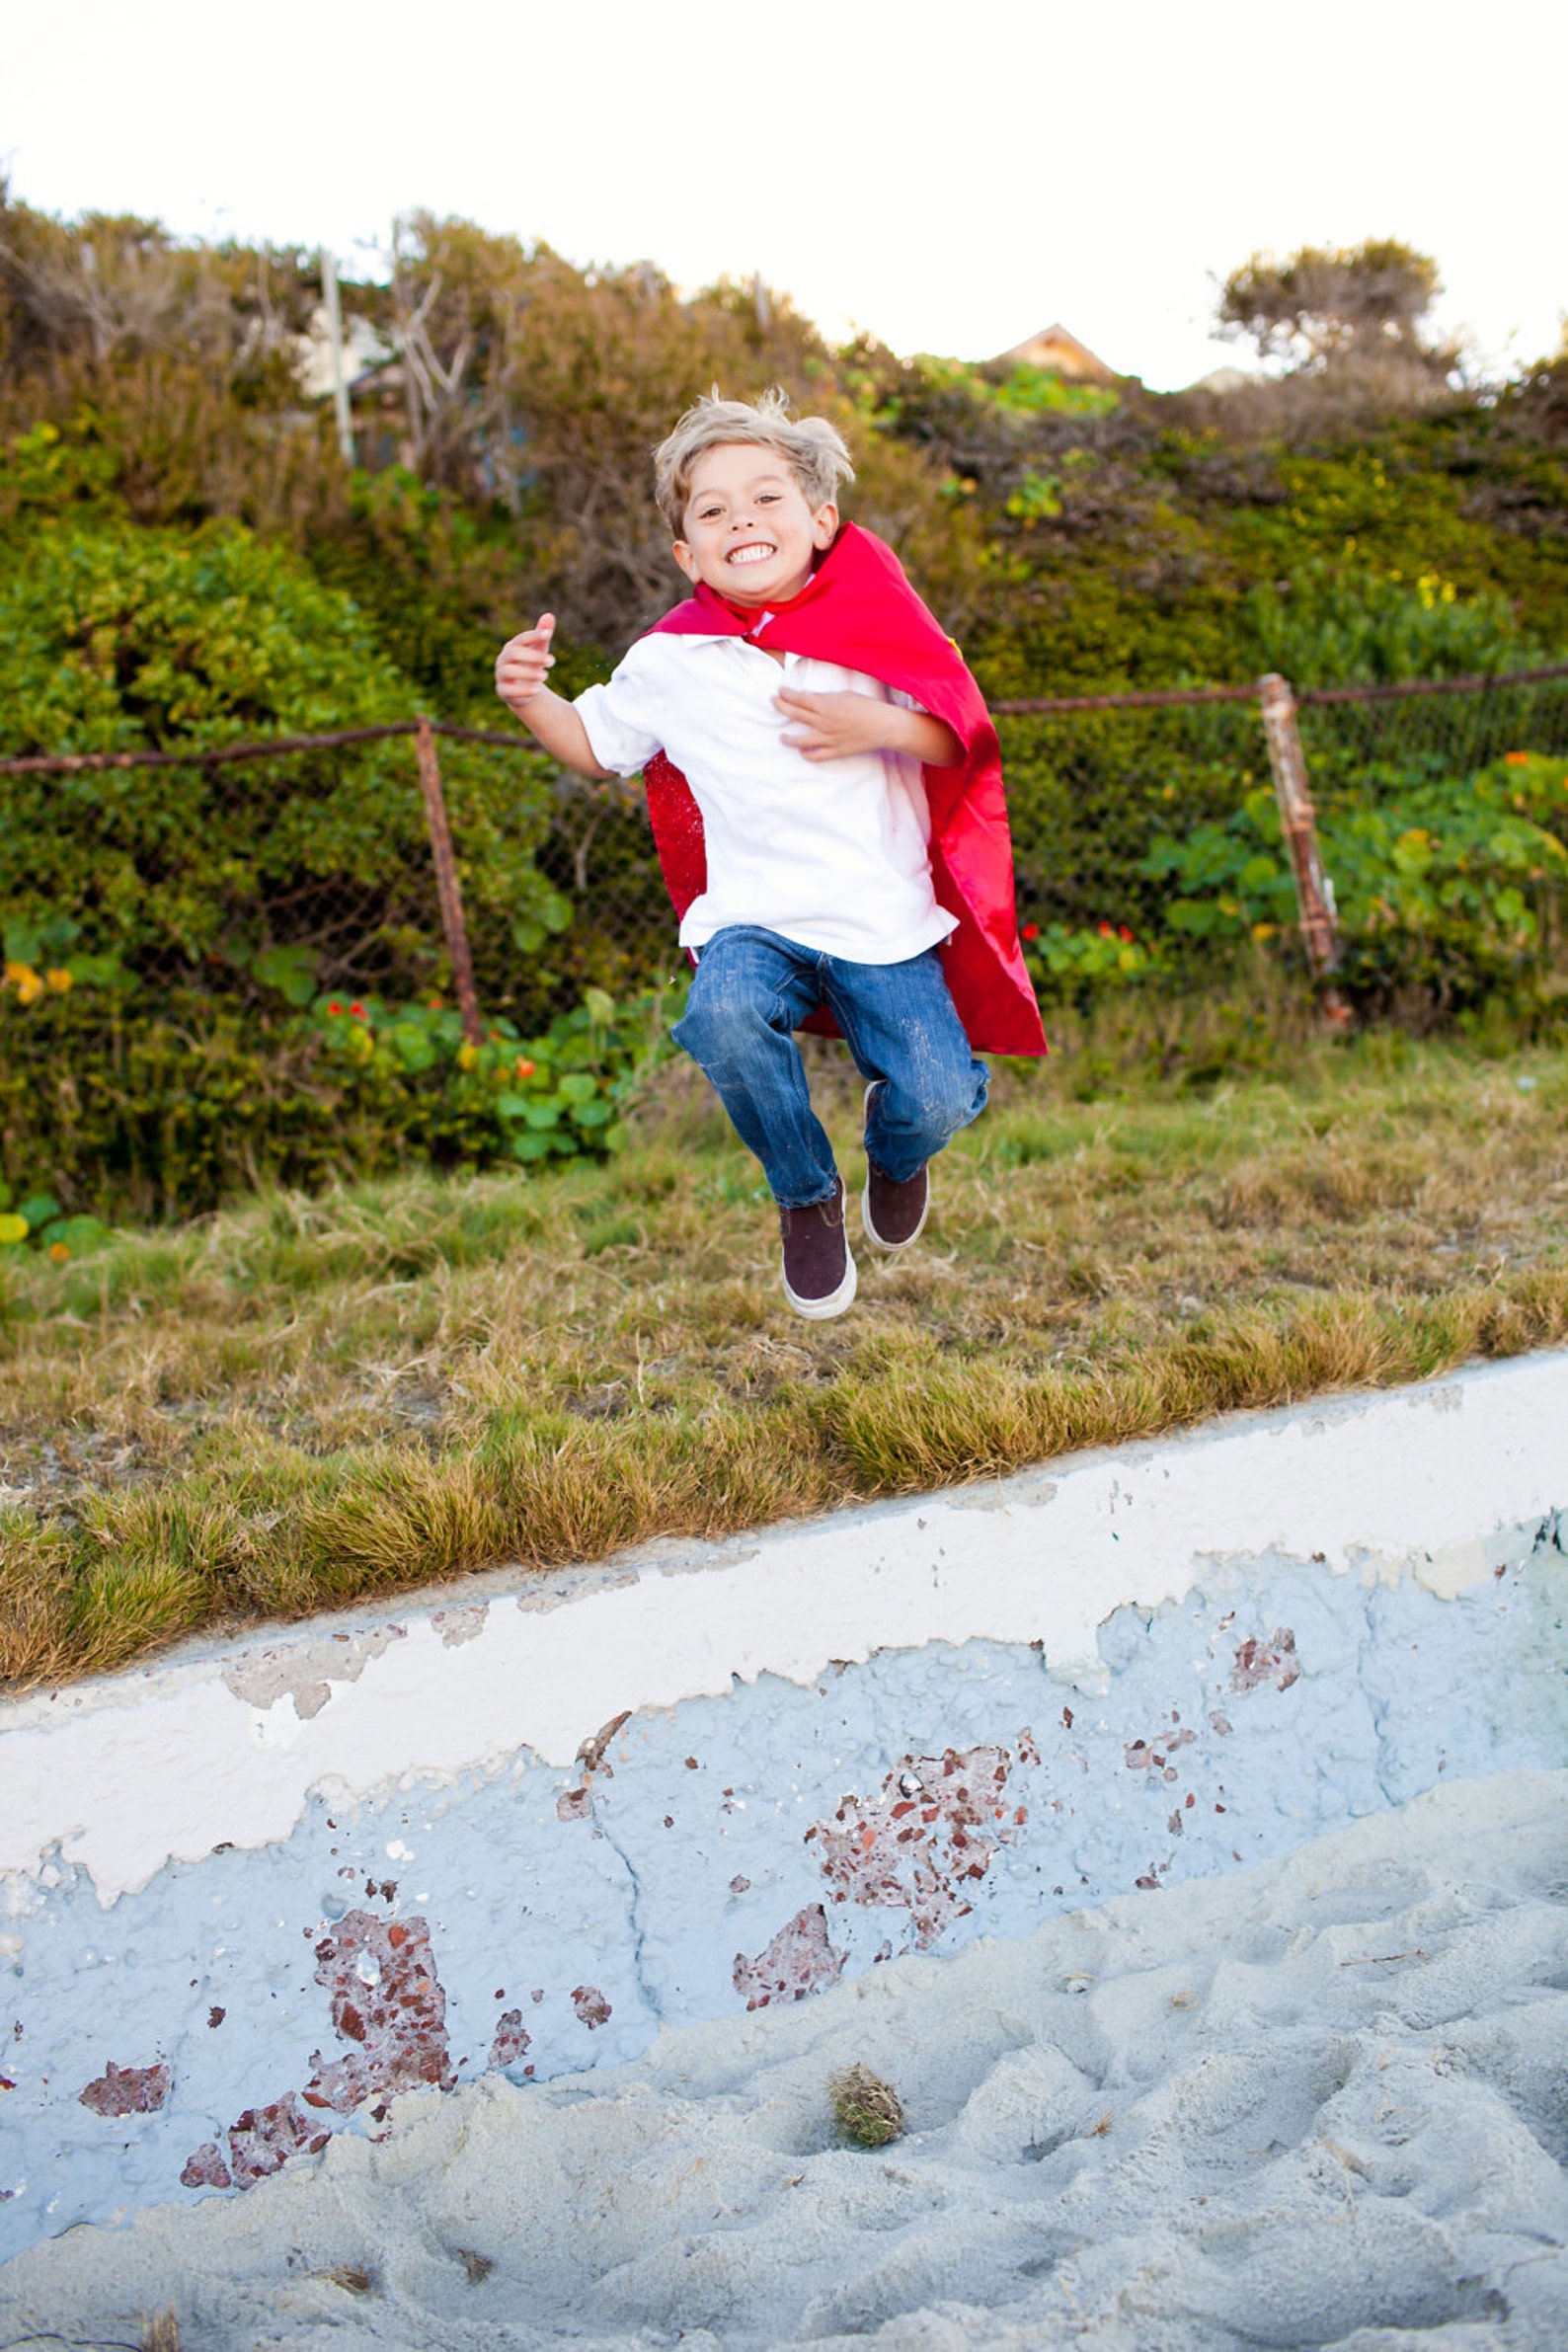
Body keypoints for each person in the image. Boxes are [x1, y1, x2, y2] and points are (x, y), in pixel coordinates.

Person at [495, 391, 1045, 1319]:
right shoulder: (670, 660)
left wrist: (876, 721)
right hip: (754, 921)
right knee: (721, 1016)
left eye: (767, 498)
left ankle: (895, 1147)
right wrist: (528, 700)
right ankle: (806, 1195)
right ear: (687, 552)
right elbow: (595, 749)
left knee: (943, 1095)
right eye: (712, 510)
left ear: (821, 520)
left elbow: (964, 741)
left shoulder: (878, 631)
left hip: (884, 924)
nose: (740, 519)